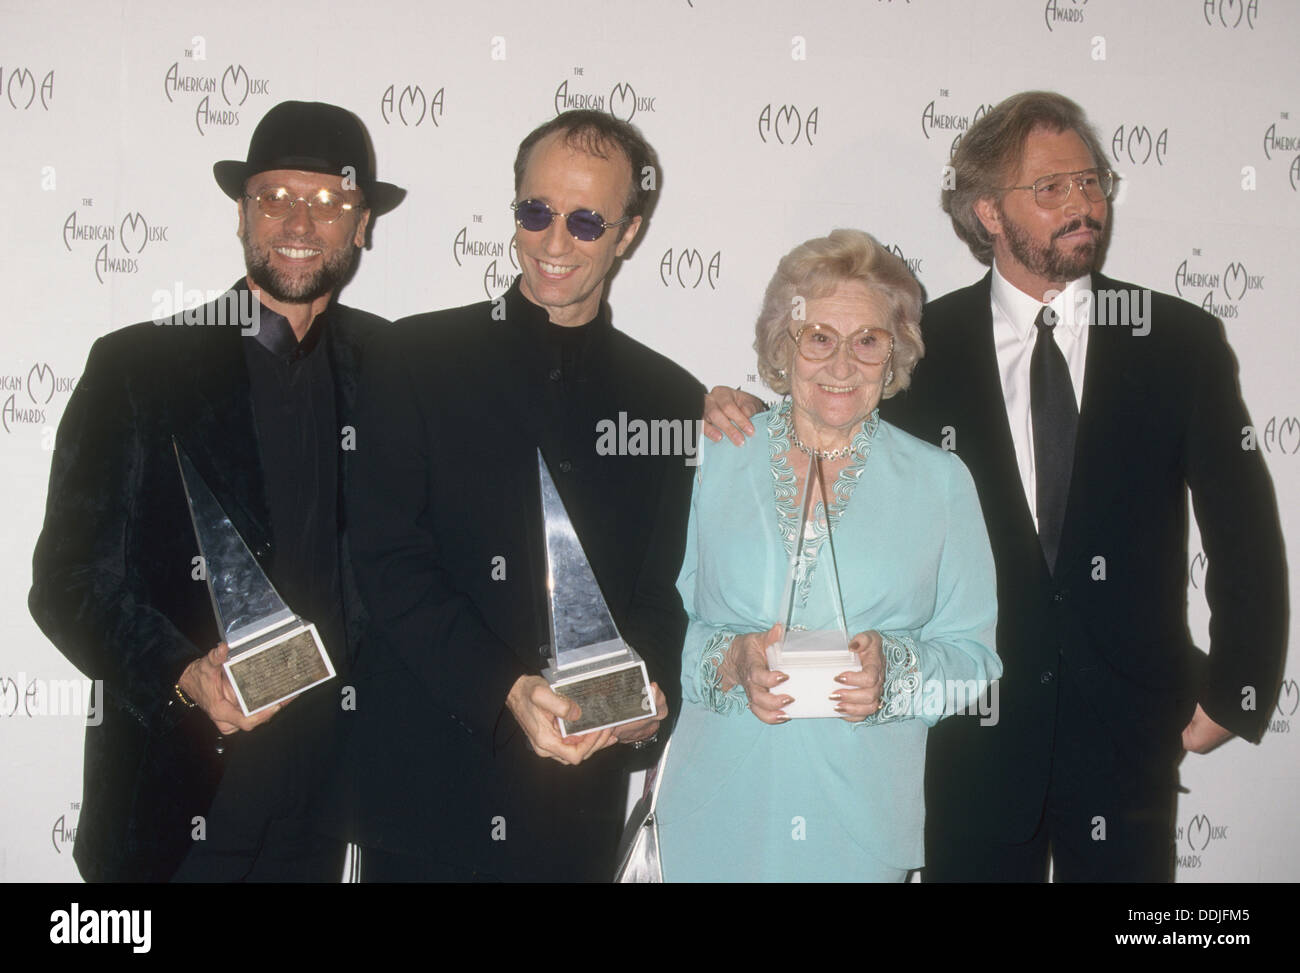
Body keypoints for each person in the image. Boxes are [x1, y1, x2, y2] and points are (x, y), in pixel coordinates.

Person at [702, 91, 1287, 882]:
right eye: (1051, 189)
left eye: (1090, 182)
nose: (1082, 203)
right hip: (964, 740)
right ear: (987, 211)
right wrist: (729, 407)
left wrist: (1239, 686)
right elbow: (824, 421)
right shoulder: (914, 347)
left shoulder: (1178, 342)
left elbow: (1245, 529)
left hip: (1131, 728)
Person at [28, 100, 403, 882]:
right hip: (178, 803)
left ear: (361, 224)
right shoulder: (138, 369)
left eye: (331, 200)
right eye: (274, 197)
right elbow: (67, 582)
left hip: (329, 805)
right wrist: (185, 672)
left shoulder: (400, 372)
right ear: (242, 214)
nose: (301, 220)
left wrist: (707, 409)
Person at [337, 110, 704, 881]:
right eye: (535, 212)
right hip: (426, 798)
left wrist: (642, 700)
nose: (555, 242)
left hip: (575, 805)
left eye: (586, 220)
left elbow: (666, 593)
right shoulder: (414, 357)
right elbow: (386, 560)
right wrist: (504, 688)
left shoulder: (670, 398)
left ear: (628, 233)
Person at [656, 229, 1000, 882]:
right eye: (819, 337)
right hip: (713, 812)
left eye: (867, 340)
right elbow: (659, 623)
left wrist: (894, 675)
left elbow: (974, 660)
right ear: (785, 346)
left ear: (894, 350)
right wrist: (730, 661)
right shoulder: (713, 457)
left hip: (860, 828)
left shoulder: (942, 482)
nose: (842, 365)